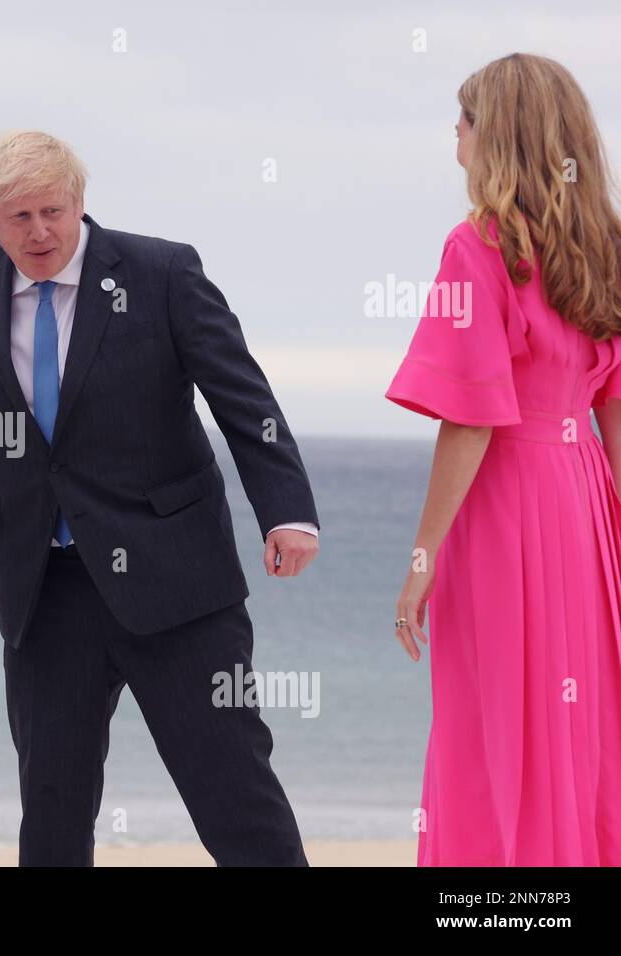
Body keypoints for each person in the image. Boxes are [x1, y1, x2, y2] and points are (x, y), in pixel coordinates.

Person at [0, 130, 320, 866]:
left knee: (235, 795)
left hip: (177, 586)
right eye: (18, 217)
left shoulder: (161, 272)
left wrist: (286, 511)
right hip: (46, 590)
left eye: (52, 212)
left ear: (80, 202)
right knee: (53, 813)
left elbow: (242, 398)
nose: (39, 232)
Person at [386, 53, 621, 866]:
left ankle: (499, 903)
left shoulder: (477, 246)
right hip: (583, 501)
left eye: (466, 116)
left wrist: (422, 558)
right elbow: (613, 414)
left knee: (489, 719)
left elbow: (471, 421)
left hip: (505, 498)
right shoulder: (602, 245)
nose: (455, 132)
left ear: (499, 135)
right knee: (581, 716)